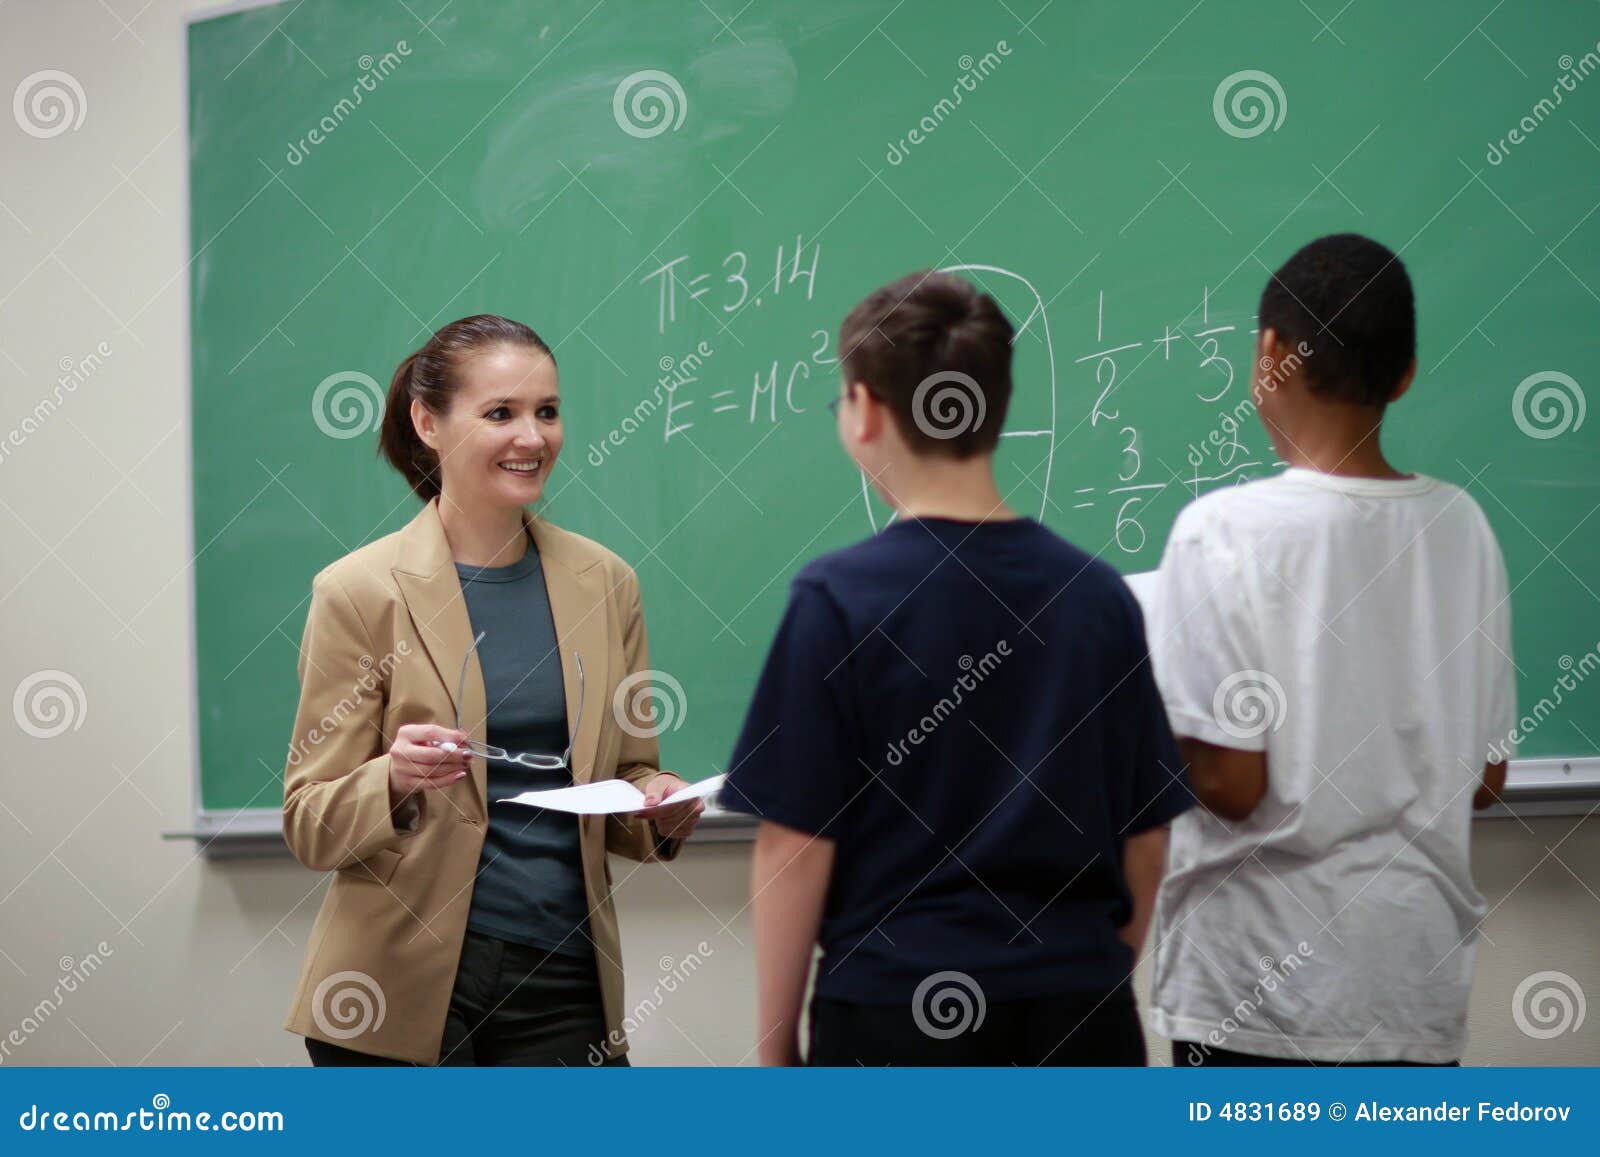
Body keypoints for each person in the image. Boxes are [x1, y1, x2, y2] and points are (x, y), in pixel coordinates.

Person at [719, 271, 1190, 1066]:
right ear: (997, 405)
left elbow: (793, 846)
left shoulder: (837, 598)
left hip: (892, 1015)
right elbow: (1148, 838)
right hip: (1081, 1013)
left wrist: (774, 1053)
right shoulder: (1096, 596)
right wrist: (1085, 972)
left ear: (865, 410)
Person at [281, 314, 703, 1065]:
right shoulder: (359, 591)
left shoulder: (606, 583)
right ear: (428, 423)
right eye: (501, 413)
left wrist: (661, 801)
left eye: (548, 411)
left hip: (565, 970)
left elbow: (630, 776)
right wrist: (393, 778)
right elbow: (310, 822)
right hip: (396, 982)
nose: (532, 437)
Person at [1144, 234, 1515, 1066]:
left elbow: (1233, 785)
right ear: (1405, 373)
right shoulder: (1464, 528)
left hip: (1256, 989)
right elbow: (1487, 778)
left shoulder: (1221, 530)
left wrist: (1139, 716)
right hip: (1412, 981)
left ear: (1270, 351)